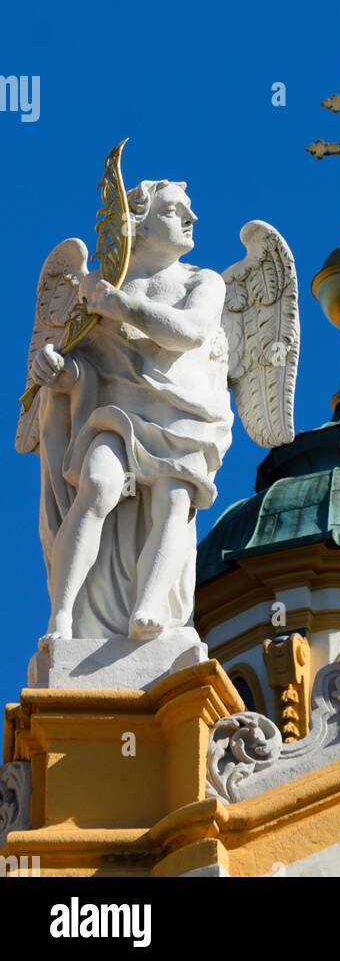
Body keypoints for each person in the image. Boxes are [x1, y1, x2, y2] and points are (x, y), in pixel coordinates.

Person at [28, 181, 233, 641]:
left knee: (173, 503)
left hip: (184, 418)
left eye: (190, 209)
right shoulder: (96, 288)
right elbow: (87, 366)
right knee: (97, 484)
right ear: (136, 221)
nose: (191, 219)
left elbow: (192, 332)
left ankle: (151, 606)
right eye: (175, 210)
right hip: (118, 416)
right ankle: (64, 614)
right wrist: (58, 373)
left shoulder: (203, 281)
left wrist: (120, 306)